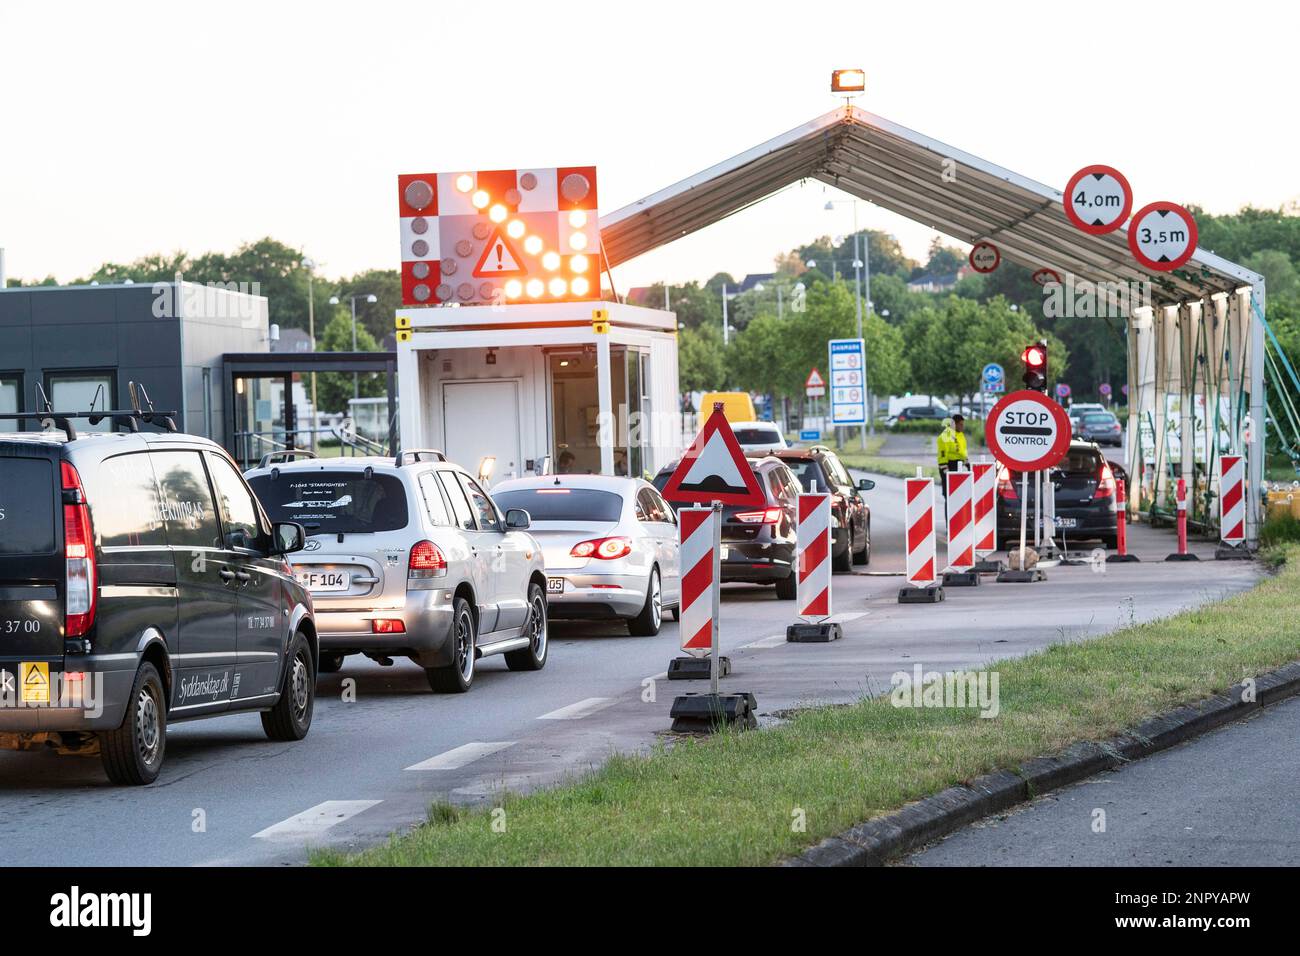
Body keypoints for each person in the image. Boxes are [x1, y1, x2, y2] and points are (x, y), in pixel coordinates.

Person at [937, 414, 969, 500]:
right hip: (948, 466)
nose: (963, 427)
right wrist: (946, 472)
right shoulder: (945, 436)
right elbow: (942, 455)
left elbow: (962, 451)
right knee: (949, 495)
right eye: (961, 425)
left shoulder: (960, 435)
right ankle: (948, 513)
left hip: (958, 466)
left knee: (958, 495)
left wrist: (967, 463)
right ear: (954, 424)